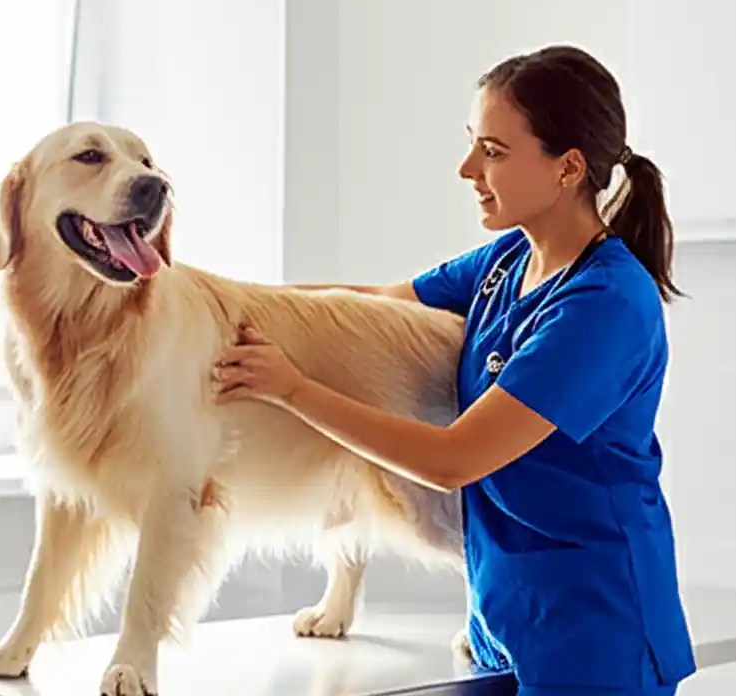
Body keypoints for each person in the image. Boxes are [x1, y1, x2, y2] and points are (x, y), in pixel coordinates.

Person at [210, 45, 697, 695]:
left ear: (568, 168)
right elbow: (371, 304)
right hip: (502, 619)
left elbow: (453, 460)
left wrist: (293, 389)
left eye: (493, 151)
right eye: (473, 144)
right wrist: (221, 306)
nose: (467, 168)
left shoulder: (604, 305)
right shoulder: (504, 264)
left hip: (594, 633)